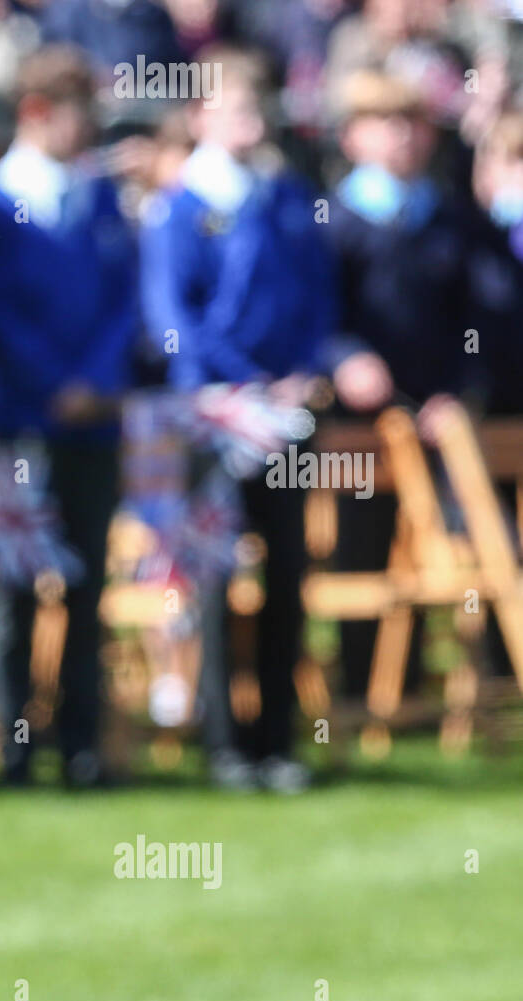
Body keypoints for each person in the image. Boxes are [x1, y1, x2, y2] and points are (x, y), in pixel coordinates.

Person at [140, 44, 334, 793]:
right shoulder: (180, 206)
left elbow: (316, 296)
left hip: (283, 414)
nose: (251, 121)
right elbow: (170, 316)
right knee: (215, 577)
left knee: (286, 571)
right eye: (235, 107)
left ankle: (277, 741)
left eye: (258, 106)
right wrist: (245, 381)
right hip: (214, 417)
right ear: (203, 116)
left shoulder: (285, 195)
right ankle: (223, 742)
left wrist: (299, 374)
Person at [0, 44, 137, 788]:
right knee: (16, 584)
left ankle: (84, 745)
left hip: (92, 421)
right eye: (76, 114)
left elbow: (127, 299)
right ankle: (17, 746)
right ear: (37, 113)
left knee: (90, 583)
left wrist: (94, 379)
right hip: (19, 421)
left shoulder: (98, 198)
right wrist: (53, 380)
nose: (87, 129)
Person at [322, 70, 478, 703]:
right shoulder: (333, 219)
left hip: (436, 415)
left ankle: (443, 687)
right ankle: (361, 692)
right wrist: (345, 357)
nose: (402, 138)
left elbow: (476, 320)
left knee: (456, 541)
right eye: (385, 124)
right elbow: (315, 315)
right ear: (354, 136)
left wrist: (459, 393)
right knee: (362, 547)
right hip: (357, 417)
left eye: (412, 124)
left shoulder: (449, 219)